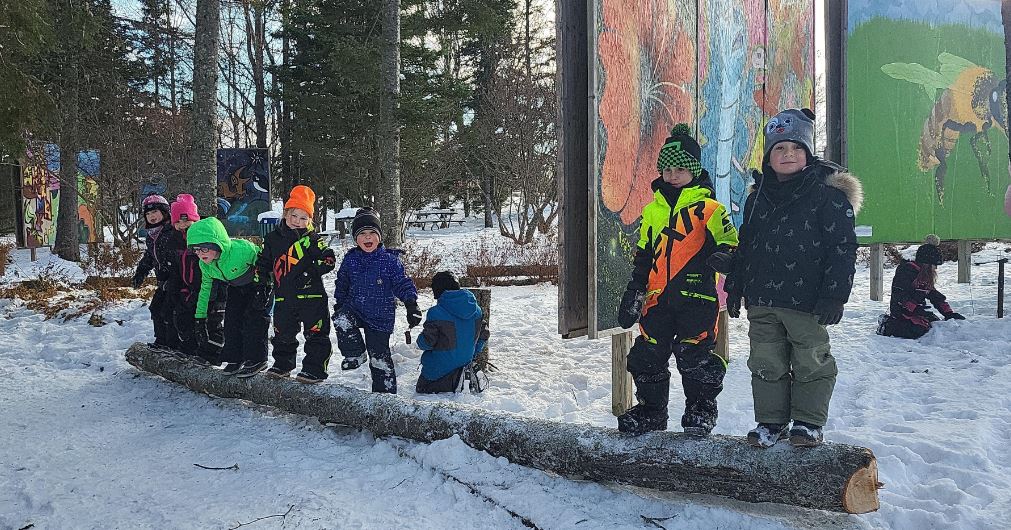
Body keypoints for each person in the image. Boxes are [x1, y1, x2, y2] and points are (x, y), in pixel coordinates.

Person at [723, 108, 862, 448]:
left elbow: (842, 249)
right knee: (765, 360)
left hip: (807, 299)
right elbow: (748, 243)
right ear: (768, 157)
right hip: (763, 298)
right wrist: (735, 284)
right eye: (779, 149)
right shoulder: (758, 198)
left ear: (808, 153)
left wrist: (835, 296)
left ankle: (808, 422)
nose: (788, 155)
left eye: (796, 148)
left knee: (810, 358)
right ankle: (771, 422)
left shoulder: (827, 196)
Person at [615, 123, 739, 436]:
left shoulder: (710, 209)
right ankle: (652, 412)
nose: (672, 175)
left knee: (694, 355)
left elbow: (730, 242)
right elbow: (644, 256)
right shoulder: (652, 211)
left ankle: (701, 408)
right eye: (667, 169)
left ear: (694, 171)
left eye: (680, 169)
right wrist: (635, 291)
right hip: (657, 300)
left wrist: (725, 257)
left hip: (696, 298)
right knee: (646, 355)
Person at [332, 207, 422, 393]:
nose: (367, 238)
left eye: (372, 233)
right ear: (355, 238)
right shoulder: (351, 260)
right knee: (341, 319)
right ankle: (355, 354)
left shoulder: (389, 261)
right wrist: (340, 303)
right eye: (362, 234)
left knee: (379, 358)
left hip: (380, 317)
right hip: (355, 309)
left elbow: (402, 283)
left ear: (379, 236)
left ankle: (385, 395)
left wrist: (411, 303)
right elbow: (342, 283)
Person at [257, 186, 337, 383]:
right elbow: (263, 263)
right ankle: (282, 365)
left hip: (312, 297)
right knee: (282, 333)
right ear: (286, 213)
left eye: (304, 218)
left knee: (316, 334)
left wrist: (310, 272)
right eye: (294, 215)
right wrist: (260, 283)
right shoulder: (272, 239)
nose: (298, 222)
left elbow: (329, 260)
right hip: (284, 297)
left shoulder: (313, 240)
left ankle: (314, 369)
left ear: (310, 220)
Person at [186, 216, 272, 377]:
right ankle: (234, 358)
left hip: (258, 286)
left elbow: (263, 261)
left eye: (204, 248)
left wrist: (264, 285)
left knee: (254, 320)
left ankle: (256, 359)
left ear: (217, 244)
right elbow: (205, 290)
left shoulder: (240, 250)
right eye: (196, 250)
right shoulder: (205, 265)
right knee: (232, 321)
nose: (200, 254)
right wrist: (200, 317)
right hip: (236, 288)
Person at [164, 194, 225, 365]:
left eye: (186, 221)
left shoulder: (204, 238)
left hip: (209, 289)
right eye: (178, 222)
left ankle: (212, 355)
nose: (182, 225)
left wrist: (213, 294)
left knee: (209, 323)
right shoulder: (174, 241)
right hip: (188, 289)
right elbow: (175, 270)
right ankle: (190, 349)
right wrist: (176, 290)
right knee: (182, 318)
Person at [415, 271, 490, 394]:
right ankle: (461, 378)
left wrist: (419, 340)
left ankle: (453, 382)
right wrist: (473, 352)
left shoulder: (436, 313)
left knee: (422, 389)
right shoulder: (476, 310)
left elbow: (426, 343)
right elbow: (484, 334)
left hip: (439, 367)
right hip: (465, 362)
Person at [877, 235, 964, 339]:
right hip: (901, 311)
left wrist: (949, 313)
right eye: (934, 265)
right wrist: (915, 306)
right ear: (927, 264)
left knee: (933, 323)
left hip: (916, 309)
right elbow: (900, 297)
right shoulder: (906, 273)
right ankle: (887, 326)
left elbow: (934, 296)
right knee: (918, 329)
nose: (935, 268)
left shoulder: (924, 277)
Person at [132, 194, 183, 351]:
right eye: (148, 214)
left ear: (165, 212)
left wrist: (173, 279)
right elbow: (150, 256)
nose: (151, 216)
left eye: (155, 212)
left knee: (169, 311)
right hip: (163, 282)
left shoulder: (171, 233)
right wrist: (141, 272)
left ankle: (173, 344)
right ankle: (161, 340)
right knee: (155, 308)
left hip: (177, 281)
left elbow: (178, 260)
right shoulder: (152, 235)